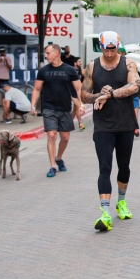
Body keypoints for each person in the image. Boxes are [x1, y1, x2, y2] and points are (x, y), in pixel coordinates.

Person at [81, 32, 140, 230]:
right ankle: (105, 212)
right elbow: (83, 94)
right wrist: (99, 95)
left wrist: (112, 94)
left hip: (125, 123)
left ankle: (121, 202)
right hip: (103, 124)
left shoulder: (128, 64)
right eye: (105, 49)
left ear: (117, 46)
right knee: (104, 166)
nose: (109, 53)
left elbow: (136, 85)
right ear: (100, 47)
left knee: (123, 166)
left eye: (112, 49)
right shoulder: (92, 66)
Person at [31, 43, 83, 178]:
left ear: (56, 53)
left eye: (48, 53)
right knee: (52, 135)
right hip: (49, 108)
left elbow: (78, 89)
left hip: (65, 107)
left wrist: (81, 104)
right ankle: (52, 165)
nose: (46, 56)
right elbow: (37, 89)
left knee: (65, 138)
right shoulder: (43, 71)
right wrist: (33, 105)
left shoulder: (70, 70)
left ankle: (59, 158)